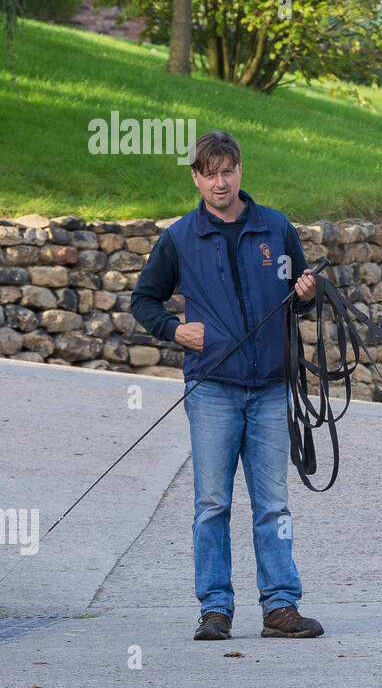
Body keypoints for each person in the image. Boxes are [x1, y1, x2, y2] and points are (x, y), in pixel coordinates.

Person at [131, 130, 324, 641]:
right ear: (196, 178)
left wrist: (307, 292)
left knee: (274, 503)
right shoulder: (179, 238)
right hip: (212, 387)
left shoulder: (275, 228)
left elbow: (301, 296)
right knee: (212, 502)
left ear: (240, 171)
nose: (221, 181)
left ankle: (281, 606)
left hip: (269, 389)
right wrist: (175, 330)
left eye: (228, 170)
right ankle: (215, 608)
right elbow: (143, 301)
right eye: (210, 172)